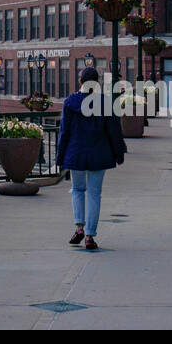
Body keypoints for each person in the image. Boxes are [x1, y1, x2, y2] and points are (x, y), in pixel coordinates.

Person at [56, 66, 127, 251]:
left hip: (76, 153)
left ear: (80, 81)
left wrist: (60, 155)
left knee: (77, 189)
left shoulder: (70, 102)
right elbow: (114, 131)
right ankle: (89, 236)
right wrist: (119, 153)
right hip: (98, 154)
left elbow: (64, 132)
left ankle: (79, 226)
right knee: (94, 193)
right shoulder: (104, 103)